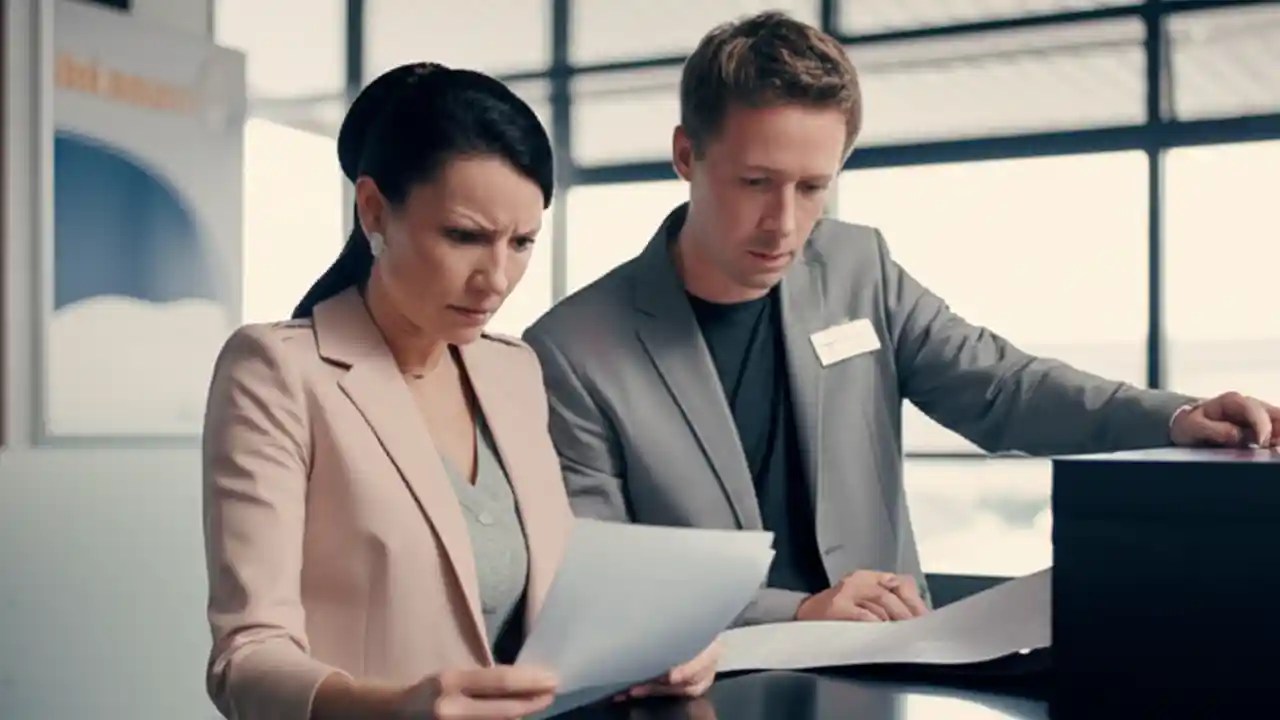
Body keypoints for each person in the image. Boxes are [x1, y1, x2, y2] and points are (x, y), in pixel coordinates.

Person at [523, 11, 1280, 628]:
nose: (784, 223)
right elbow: (602, 568)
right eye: (755, 182)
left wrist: (1174, 419)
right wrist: (798, 612)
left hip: (892, 657)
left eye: (813, 187)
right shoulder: (572, 351)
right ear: (687, 154)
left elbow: (1002, 388)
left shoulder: (859, 268)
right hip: (701, 682)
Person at [202, 63, 717, 720]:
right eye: (464, 236)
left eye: (521, 242)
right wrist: (393, 708)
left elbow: (554, 600)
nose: (496, 278)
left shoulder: (513, 370)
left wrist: (665, 644)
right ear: (374, 210)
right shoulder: (276, 372)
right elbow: (245, 657)